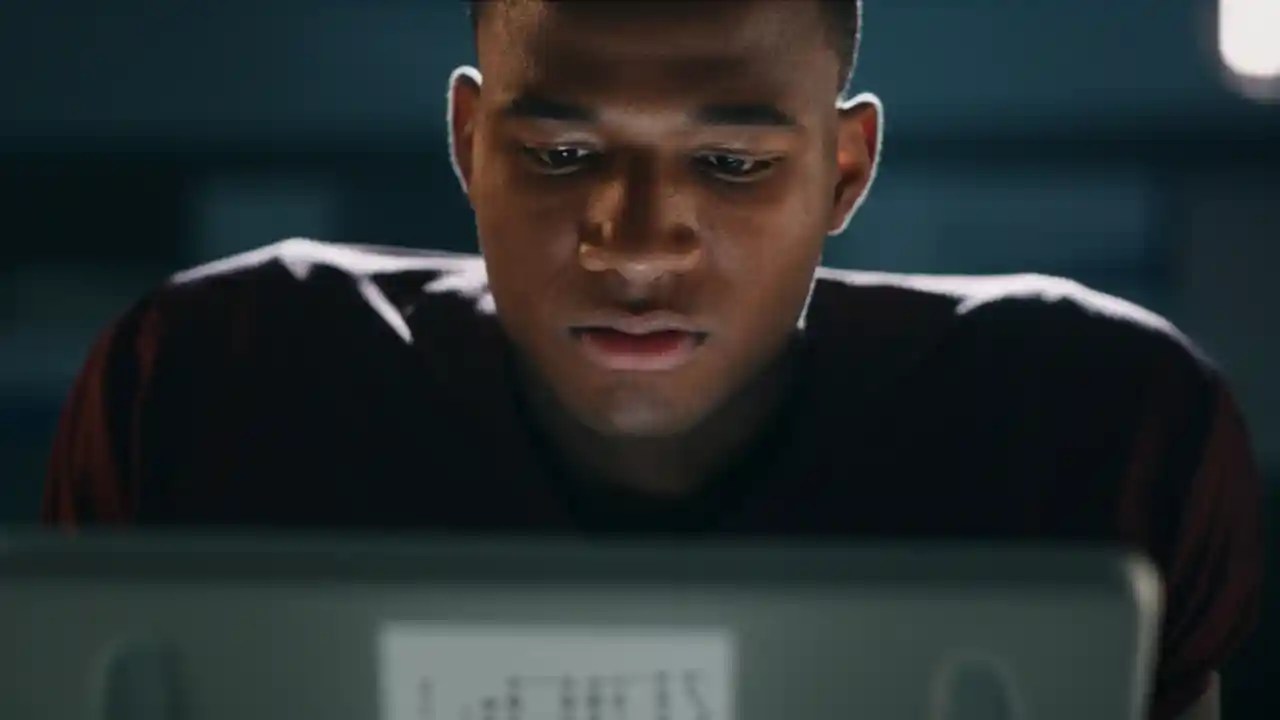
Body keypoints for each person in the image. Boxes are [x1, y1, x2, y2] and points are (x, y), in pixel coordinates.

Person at [43, 2, 1259, 718]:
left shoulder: (1086, 429)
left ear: (843, 171)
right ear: (469, 142)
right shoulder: (214, 386)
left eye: (730, 166)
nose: (634, 244)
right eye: (564, 152)